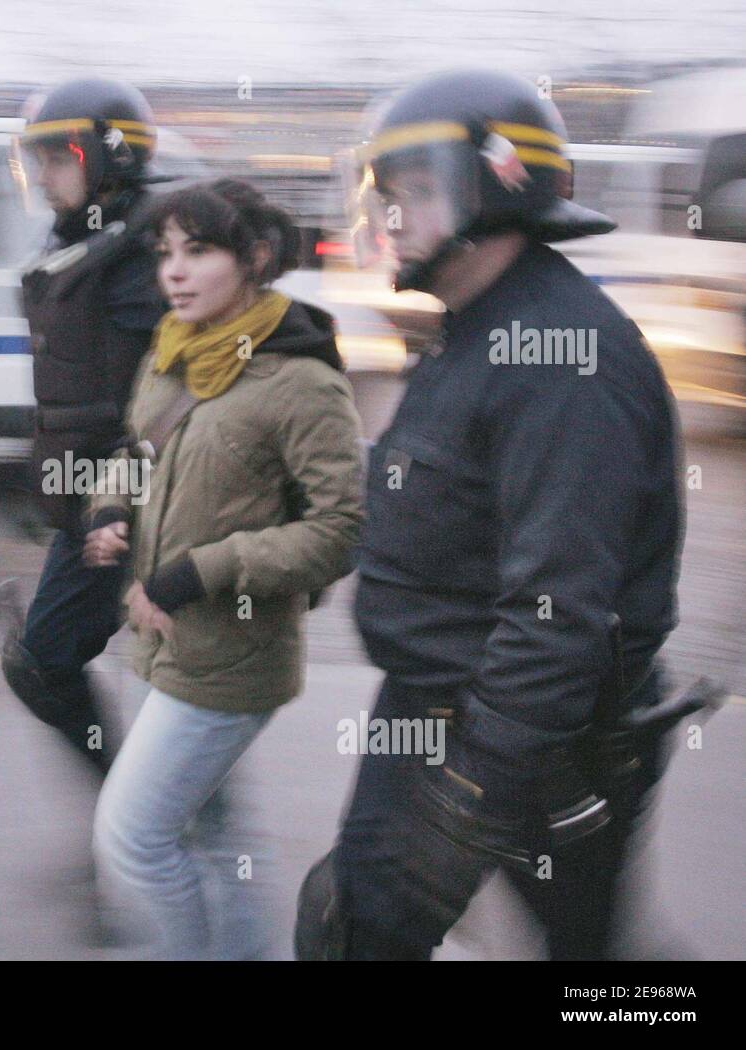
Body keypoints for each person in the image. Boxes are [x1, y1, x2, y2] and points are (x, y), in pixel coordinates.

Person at [294, 69, 685, 961]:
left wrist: (469, 794)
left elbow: (557, 617)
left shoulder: (563, 358)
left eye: (417, 193)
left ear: (498, 185)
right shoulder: (471, 326)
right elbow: (442, 502)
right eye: (383, 198)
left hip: (524, 741)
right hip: (447, 711)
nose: (390, 220)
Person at [83, 179, 363, 959]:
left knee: (132, 837)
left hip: (233, 655)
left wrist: (202, 570)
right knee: (218, 835)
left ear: (256, 257)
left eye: (198, 251)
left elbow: (340, 531)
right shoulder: (172, 351)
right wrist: (110, 509)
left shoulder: (301, 381)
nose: (174, 272)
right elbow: (138, 454)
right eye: (165, 253)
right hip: (159, 646)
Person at [0, 78, 167, 778]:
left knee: (49, 659)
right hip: (88, 497)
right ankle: (136, 818)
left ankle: (133, 820)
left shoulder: (146, 253)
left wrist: (118, 501)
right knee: (61, 661)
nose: (41, 175)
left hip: (128, 505)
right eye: (35, 159)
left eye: (56, 158)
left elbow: (158, 399)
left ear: (110, 157)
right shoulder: (82, 241)